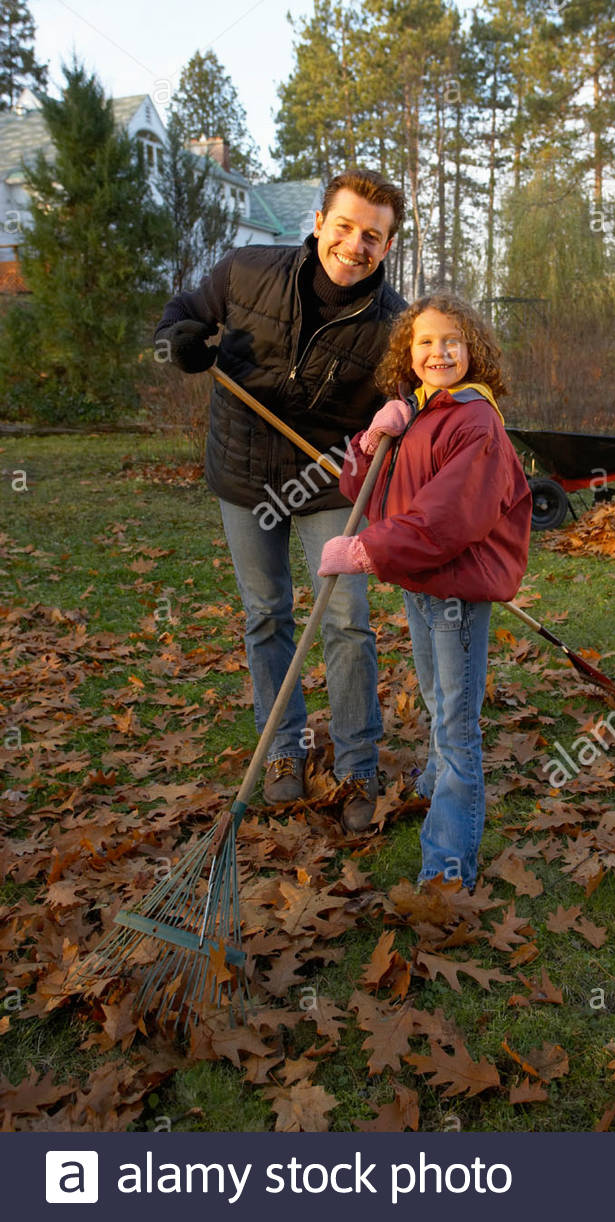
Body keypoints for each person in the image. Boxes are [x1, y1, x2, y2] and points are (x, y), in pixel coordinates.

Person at [154, 168, 406, 831]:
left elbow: (413, 396)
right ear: (319, 224)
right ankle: (282, 750)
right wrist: (179, 343)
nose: (356, 246)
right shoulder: (245, 272)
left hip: (328, 478)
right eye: (346, 228)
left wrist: (402, 418)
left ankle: (357, 764)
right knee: (266, 612)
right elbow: (178, 316)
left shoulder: (394, 324)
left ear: (388, 247)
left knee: (346, 617)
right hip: (243, 474)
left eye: (373, 237)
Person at [317, 295, 531, 888]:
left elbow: (448, 517)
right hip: (423, 583)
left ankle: (448, 866)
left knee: (458, 725)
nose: (438, 352)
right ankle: (434, 782)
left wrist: (369, 550)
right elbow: (375, 494)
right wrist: (369, 447)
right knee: (439, 698)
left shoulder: (474, 421)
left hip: (455, 590)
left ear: (473, 351)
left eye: (452, 341)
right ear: (407, 354)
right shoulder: (417, 413)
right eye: (425, 343)